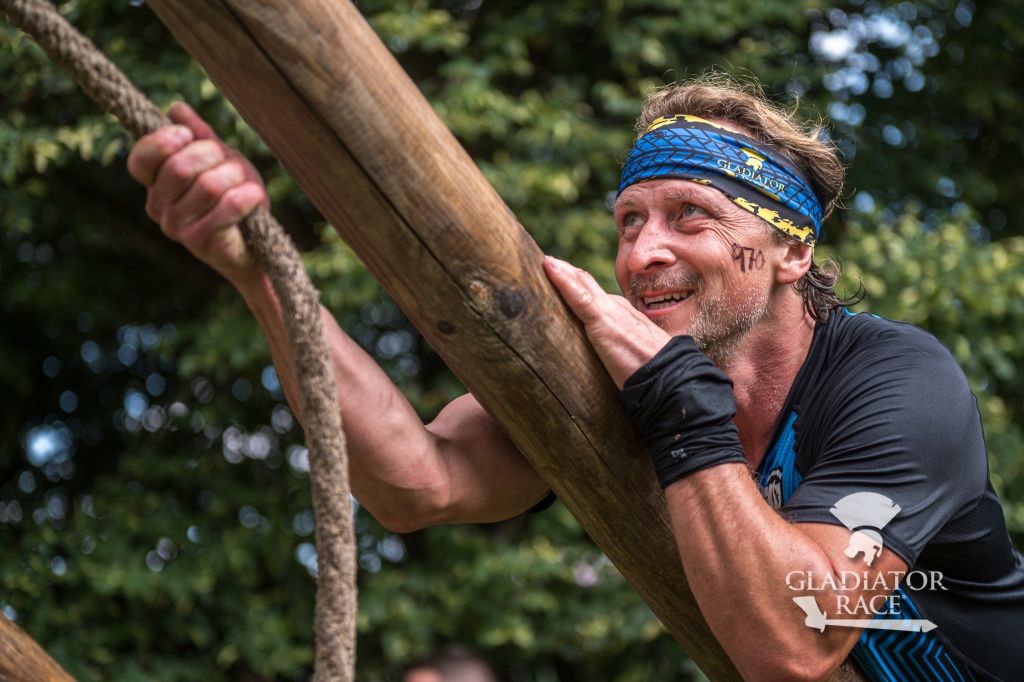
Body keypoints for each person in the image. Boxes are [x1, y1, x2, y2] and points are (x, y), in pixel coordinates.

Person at [127, 76, 1024, 681]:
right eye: (629, 220)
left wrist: (678, 402)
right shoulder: (623, 379)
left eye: (690, 216)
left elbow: (797, 640)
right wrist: (259, 272)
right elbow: (416, 479)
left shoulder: (896, 378)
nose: (644, 252)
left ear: (791, 248)